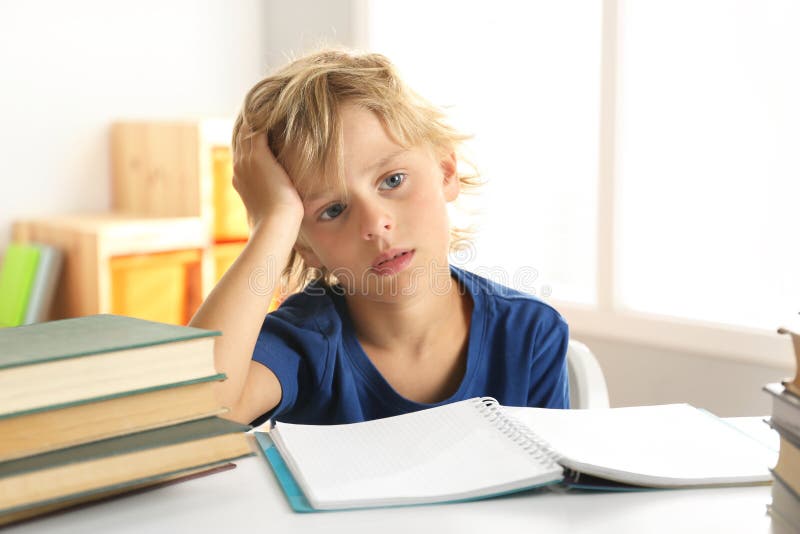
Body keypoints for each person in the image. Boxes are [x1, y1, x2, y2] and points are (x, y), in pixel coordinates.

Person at [189, 49, 569, 426]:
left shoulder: (530, 333)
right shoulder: (304, 343)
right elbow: (193, 414)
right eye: (333, 210)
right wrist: (275, 220)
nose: (374, 223)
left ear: (446, 171)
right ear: (303, 246)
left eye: (392, 180)